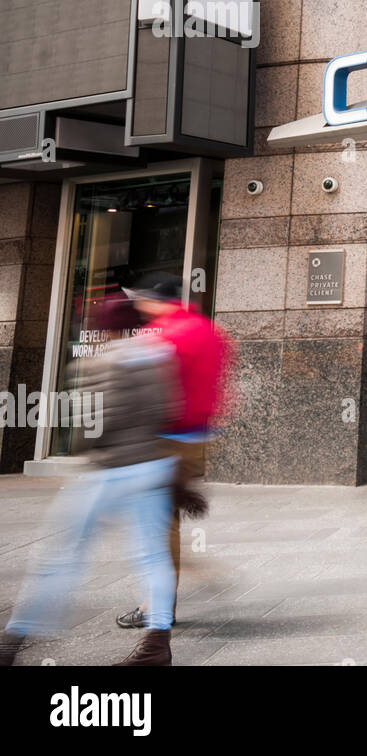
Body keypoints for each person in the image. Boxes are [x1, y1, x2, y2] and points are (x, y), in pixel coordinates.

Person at [1, 297, 179, 667]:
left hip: (112, 471)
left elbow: (93, 426)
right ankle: (158, 644)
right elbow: (169, 411)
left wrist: (82, 450)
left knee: (62, 553)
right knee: (153, 556)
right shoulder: (159, 356)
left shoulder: (100, 362)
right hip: (152, 468)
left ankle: (15, 637)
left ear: (106, 327)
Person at [115, 275, 231, 630]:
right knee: (163, 520)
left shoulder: (165, 335)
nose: (137, 307)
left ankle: (159, 605)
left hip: (165, 441)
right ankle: (163, 596)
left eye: (139, 300)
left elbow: (148, 392)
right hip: (196, 437)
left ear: (152, 299)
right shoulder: (209, 330)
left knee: (157, 526)